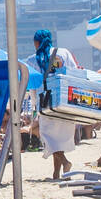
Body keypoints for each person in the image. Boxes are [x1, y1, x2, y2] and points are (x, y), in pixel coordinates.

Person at [29, 30, 78, 180]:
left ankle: (65, 162)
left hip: (46, 102)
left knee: (49, 138)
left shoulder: (33, 59)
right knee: (59, 138)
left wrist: (34, 105)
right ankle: (58, 173)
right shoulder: (64, 53)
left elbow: (33, 85)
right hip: (65, 100)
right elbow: (74, 73)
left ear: (37, 42)